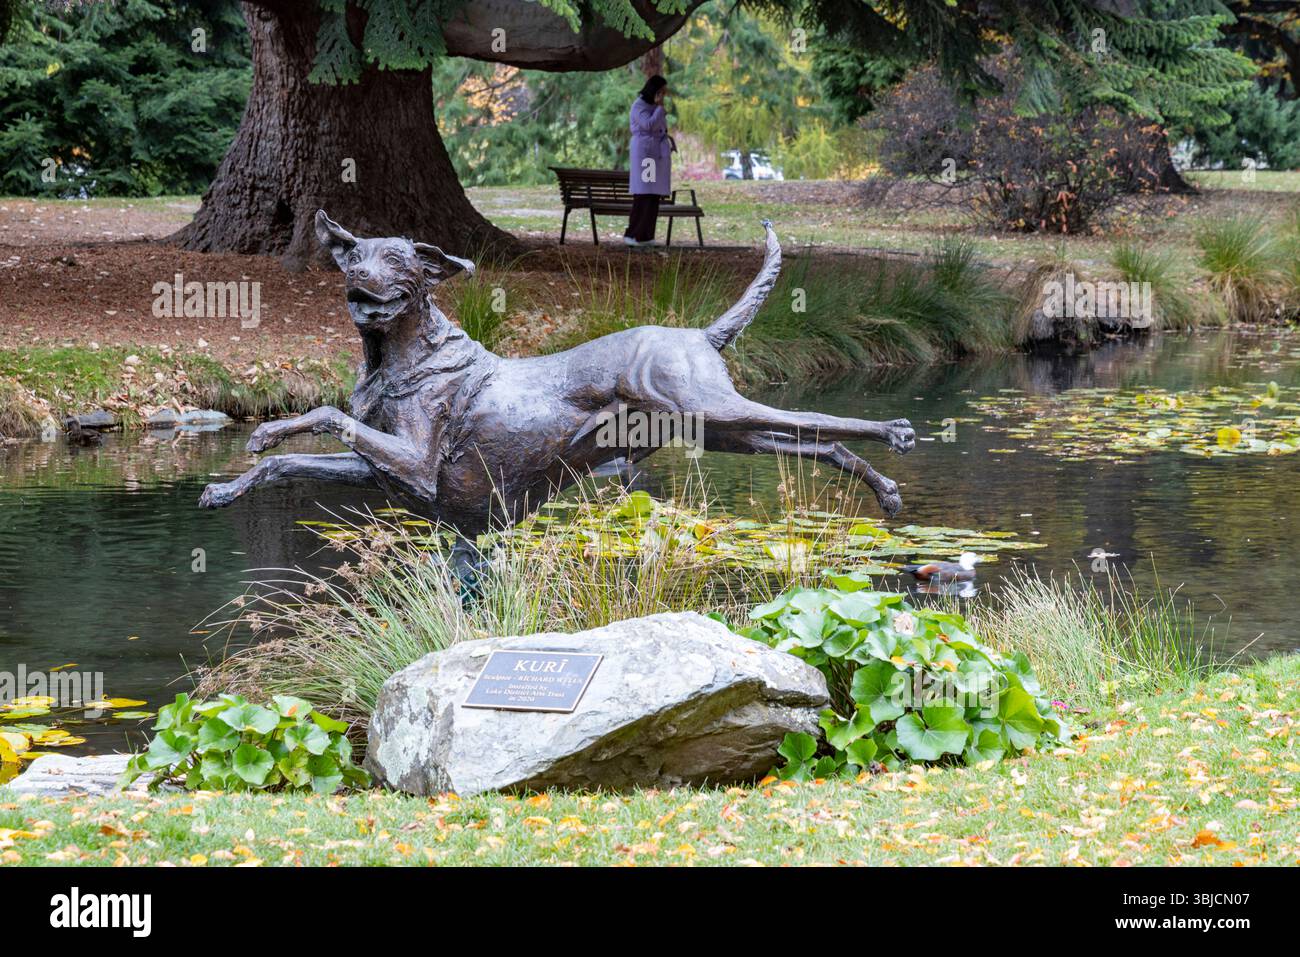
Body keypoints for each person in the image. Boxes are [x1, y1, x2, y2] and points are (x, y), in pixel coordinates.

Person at [625, 74, 675, 247]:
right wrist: (660, 109)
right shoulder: (639, 106)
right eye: (662, 92)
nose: (663, 96)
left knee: (653, 194)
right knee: (645, 193)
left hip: (654, 153)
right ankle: (635, 234)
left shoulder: (651, 106)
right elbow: (648, 125)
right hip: (646, 154)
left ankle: (646, 235)